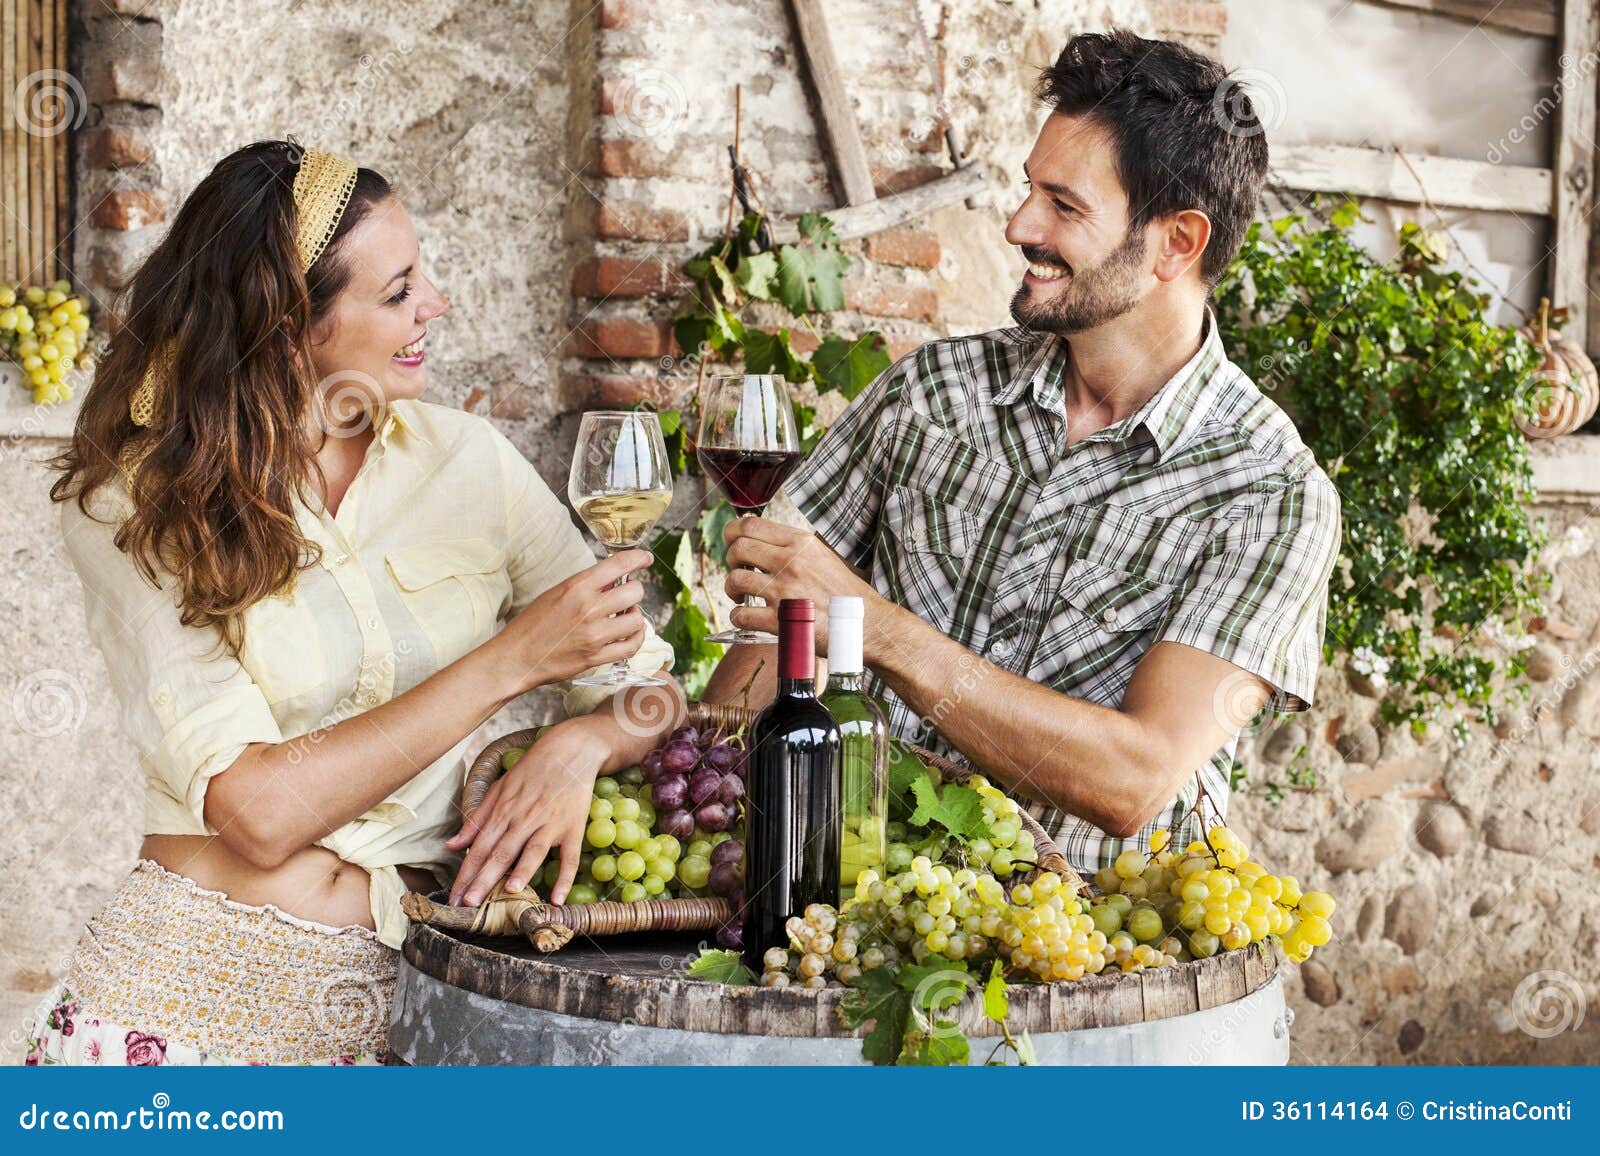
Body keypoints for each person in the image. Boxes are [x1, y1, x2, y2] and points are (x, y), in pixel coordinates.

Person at [25, 140, 676, 1066]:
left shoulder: (472, 464)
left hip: (413, 1014)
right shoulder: (136, 500)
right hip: (181, 1013)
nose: (434, 309)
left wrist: (580, 745)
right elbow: (257, 812)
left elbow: (653, 693)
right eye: (398, 292)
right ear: (293, 328)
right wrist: (515, 661)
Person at [702, 31, 1342, 878]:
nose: (1018, 226)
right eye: (1027, 191)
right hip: (854, 923)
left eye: (1064, 206)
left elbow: (1134, 781)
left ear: (1177, 244)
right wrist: (682, 762)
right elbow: (774, 630)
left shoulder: (1267, 492)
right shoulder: (929, 393)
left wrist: (876, 628)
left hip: (1090, 977)